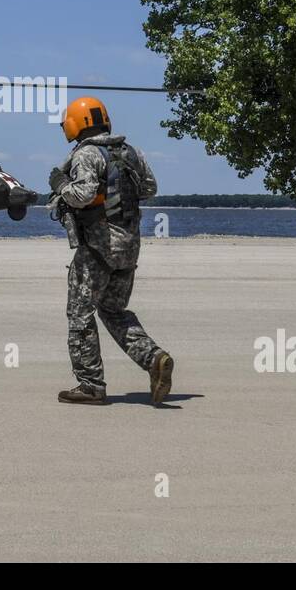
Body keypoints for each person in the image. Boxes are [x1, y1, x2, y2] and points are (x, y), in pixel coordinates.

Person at [46, 96, 174, 406]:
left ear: (76, 123)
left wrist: (62, 185)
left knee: (80, 314)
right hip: (129, 247)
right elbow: (149, 189)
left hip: (98, 248)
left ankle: (90, 385)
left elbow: (82, 194)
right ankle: (154, 358)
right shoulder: (130, 152)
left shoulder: (87, 154)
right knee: (113, 311)